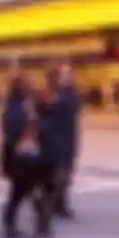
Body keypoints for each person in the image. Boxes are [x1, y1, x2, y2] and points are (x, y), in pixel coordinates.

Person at [0, 77, 57, 238]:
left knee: (35, 191)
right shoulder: (13, 108)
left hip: (33, 156)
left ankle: (42, 224)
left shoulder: (29, 106)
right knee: (19, 193)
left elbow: (41, 121)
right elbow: (11, 131)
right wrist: (25, 133)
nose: (28, 89)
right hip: (20, 156)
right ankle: (11, 226)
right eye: (25, 87)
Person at [47, 65, 81, 219]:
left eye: (70, 73)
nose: (69, 76)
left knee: (66, 173)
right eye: (65, 74)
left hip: (69, 138)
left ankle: (60, 204)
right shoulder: (53, 91)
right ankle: (53, 204)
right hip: (56, 138)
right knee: (57, 173)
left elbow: (72, 108)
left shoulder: (71, 92)